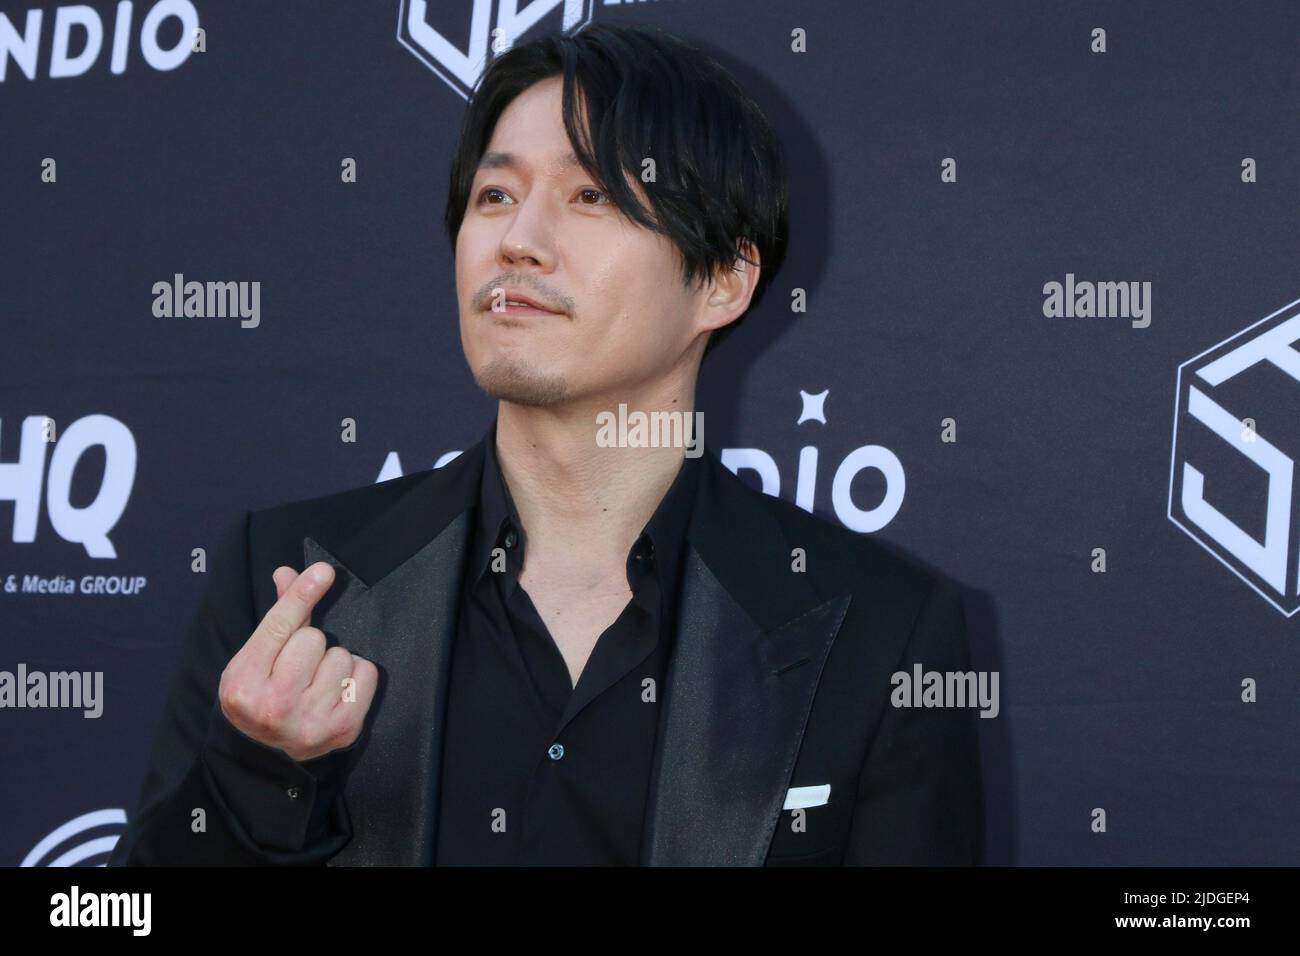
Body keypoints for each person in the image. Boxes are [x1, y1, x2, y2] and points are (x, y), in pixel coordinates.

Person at [108, 22, 983, 866]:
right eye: (495, 196)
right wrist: (257, 780)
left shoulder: (879, 633)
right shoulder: (293, 580)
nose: (517, 242)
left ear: (723, 280)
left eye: (590, 195)